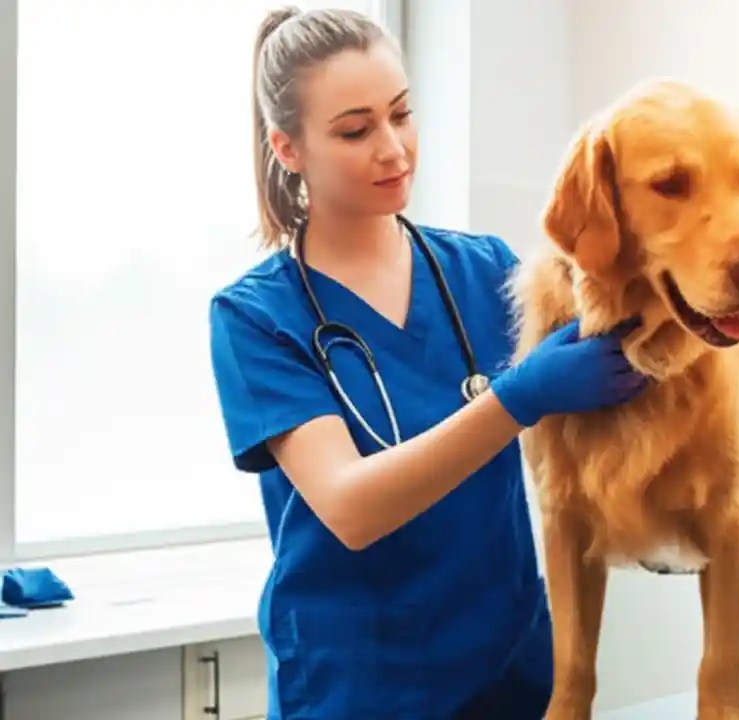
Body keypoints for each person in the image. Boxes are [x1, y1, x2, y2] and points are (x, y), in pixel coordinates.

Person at [208, 7, 647, 719]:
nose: (394, 149)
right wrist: (515, 399)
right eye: (355, 130)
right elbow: (349, 508)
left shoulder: (487, 272)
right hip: (359, 685)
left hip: (512, 673)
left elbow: (594, 442)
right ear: (288, 149)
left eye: (402, 114)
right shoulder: (257, 316)